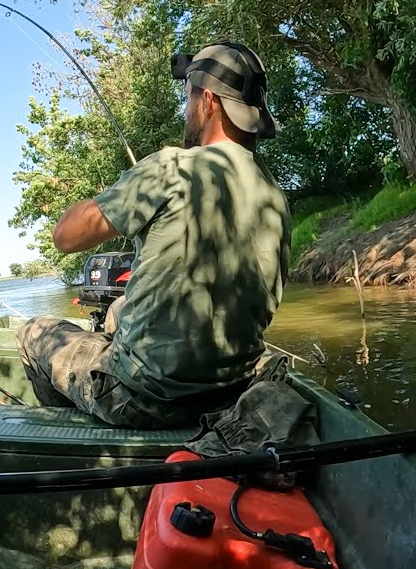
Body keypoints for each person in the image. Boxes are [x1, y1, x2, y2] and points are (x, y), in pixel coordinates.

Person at [15, 41, 292, 429]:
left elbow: (65, 236)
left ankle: (70, 434)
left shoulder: (169, 168)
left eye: (188, 99)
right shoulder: (274, 193)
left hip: (144, 400)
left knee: (33, 331)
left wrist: (117, 192)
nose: (187, 110)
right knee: (116, 310)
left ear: (208, 101)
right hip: (232, 391)